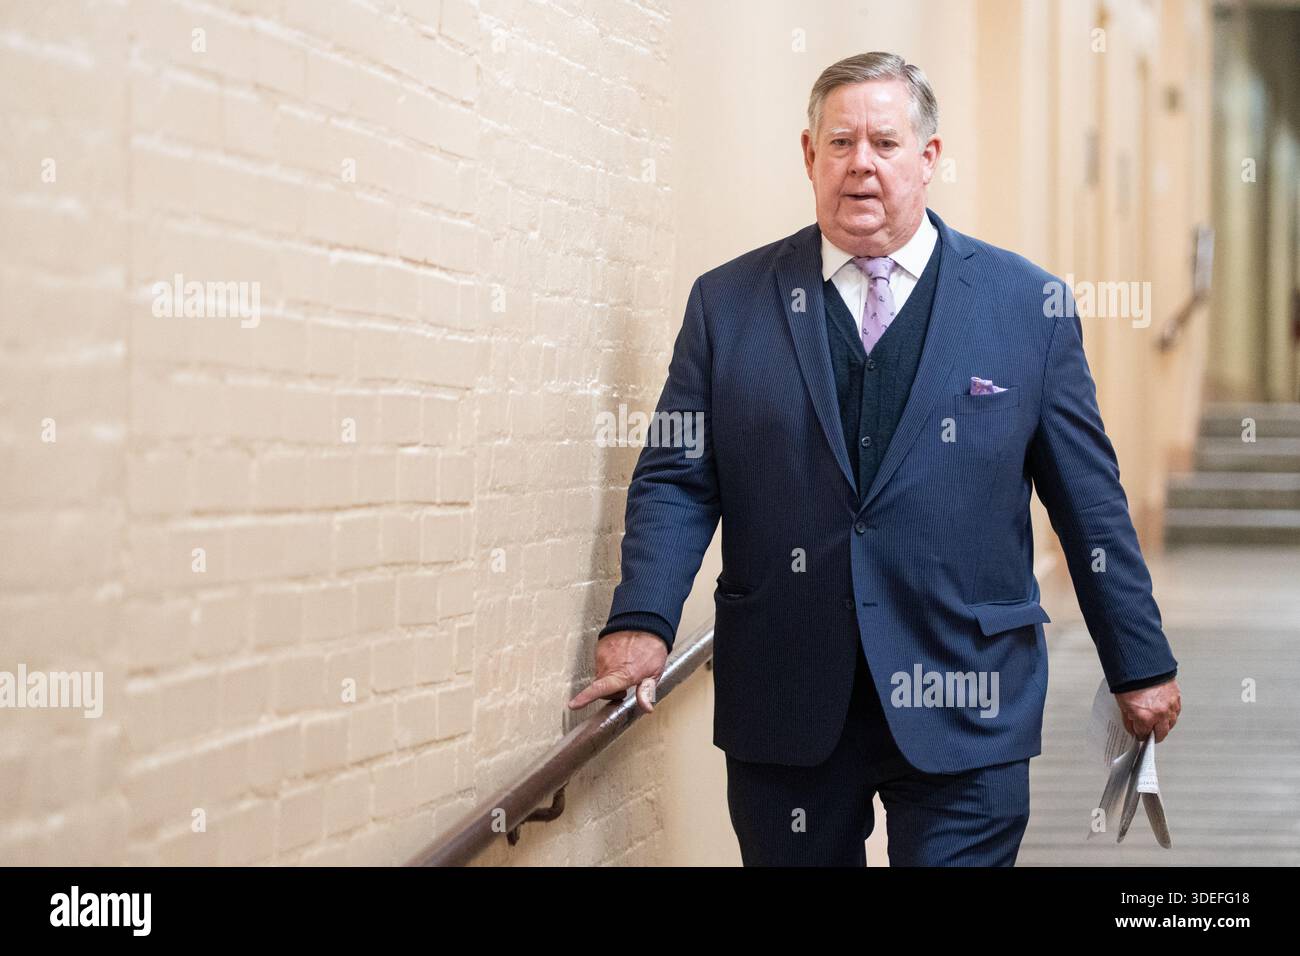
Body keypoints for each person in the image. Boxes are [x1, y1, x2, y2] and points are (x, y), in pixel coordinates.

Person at [568, 51, 1181, 866]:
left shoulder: (1024, 306)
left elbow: (1088, 502)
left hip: (969, 687)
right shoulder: (728, 305)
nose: (862, 163)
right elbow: (679, 478)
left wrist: (1138, 661)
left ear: (928, 158)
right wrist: (642, 621)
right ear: (809, 156)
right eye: (841, 142)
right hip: (788, 694)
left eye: (885, 143)